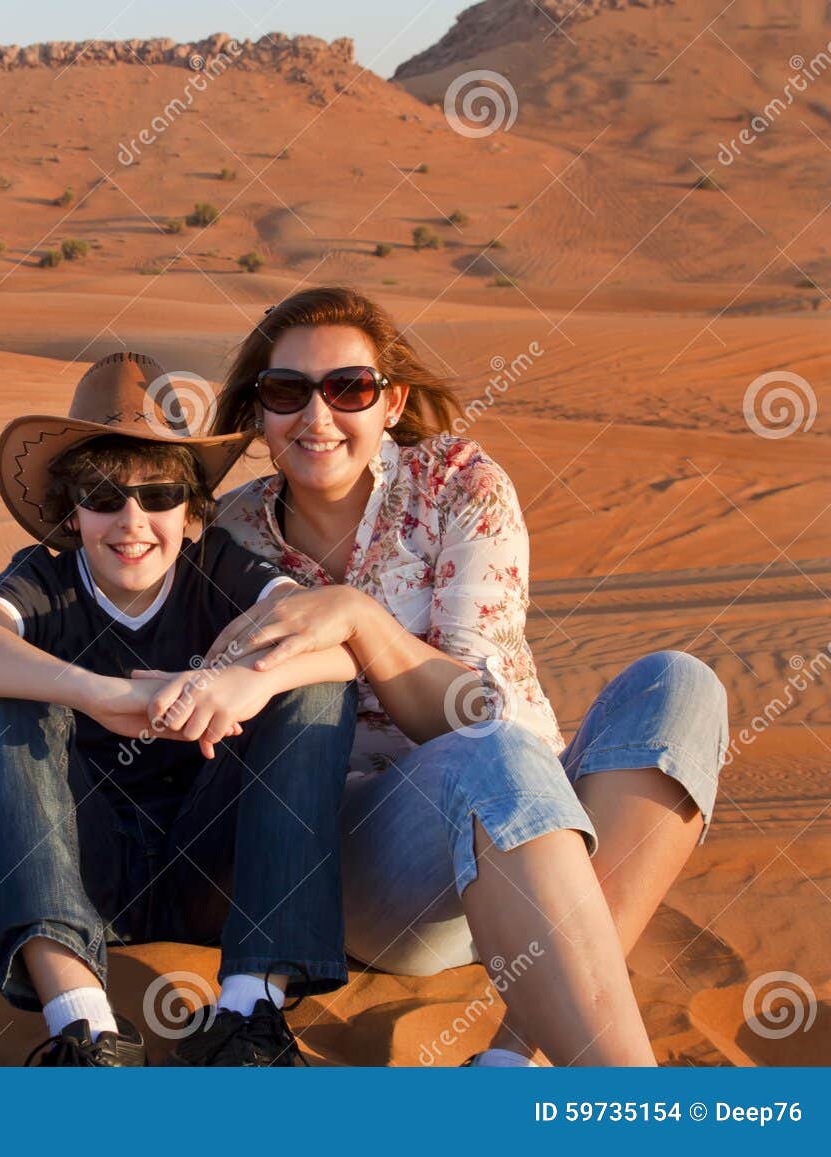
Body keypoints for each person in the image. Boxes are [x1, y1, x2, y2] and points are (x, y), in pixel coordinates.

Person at [192, 286, 727, 1066]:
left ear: (392, 399)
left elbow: (471, 705)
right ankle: (632, 1105)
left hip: (540, 834)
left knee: (680, 687)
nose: (316, 416)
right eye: (285, 392)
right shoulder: (227, 532)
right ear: (258, 411)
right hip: (375, 859)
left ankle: (514, 1061)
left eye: (349, 387)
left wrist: (357, 616)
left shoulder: (458, 487)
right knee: (495, 753)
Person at [0, 351, 359, 1066]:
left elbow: (341, 651)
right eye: (102, 495)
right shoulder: (46, 581)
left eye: (158, 496)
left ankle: (249, 1013)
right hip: (81, 872)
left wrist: (247, 683)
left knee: (311, 685)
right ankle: (86, 1028)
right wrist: (105, 693)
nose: (132, 521)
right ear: (72, 511)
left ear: (190, 509)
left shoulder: (218, 568)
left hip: (211, 871)